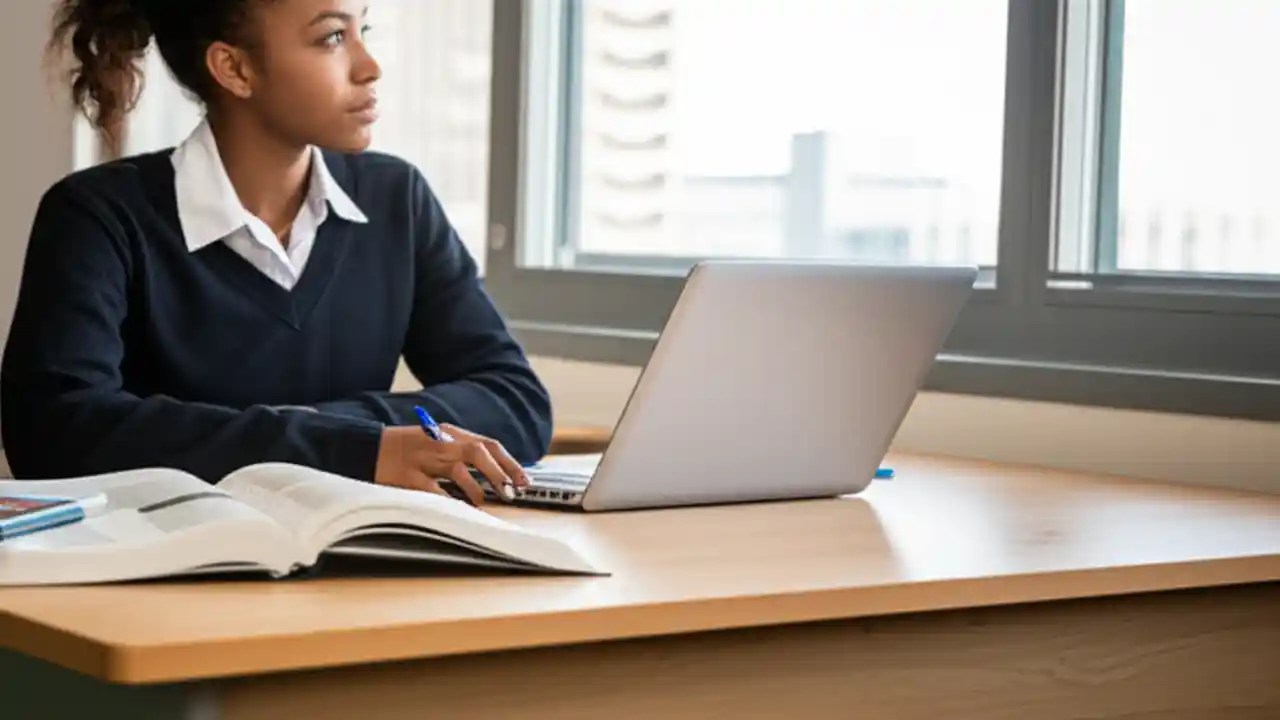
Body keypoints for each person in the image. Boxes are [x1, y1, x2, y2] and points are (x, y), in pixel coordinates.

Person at [0, 0, 550, 506]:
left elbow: (515, 399)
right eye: (333, 38)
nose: (369, 66)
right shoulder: (98, 214)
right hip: (165, 581)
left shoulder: (396, 200)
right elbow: (54, 432)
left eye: (364, 30)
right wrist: (355, 448)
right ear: (235, 69)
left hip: (365, 562)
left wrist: (337, 435)